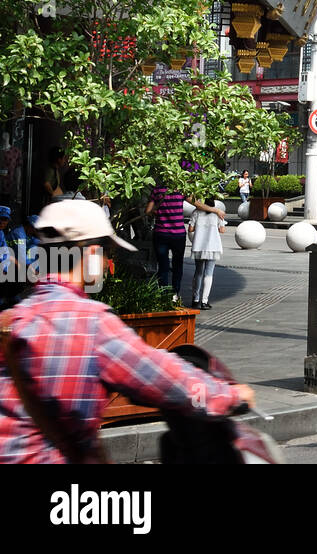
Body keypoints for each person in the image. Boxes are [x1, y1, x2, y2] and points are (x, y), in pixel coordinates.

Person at [0, 200, 255, 463]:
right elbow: (164, 377)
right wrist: (228, 395)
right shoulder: (91, 324)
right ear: (91, 254)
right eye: (107, 252)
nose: (109, 261)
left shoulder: (13, 317)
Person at [146, 185, 225, 303]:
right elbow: (197, 204)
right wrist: (216, 210)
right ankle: (175, 294)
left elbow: (148, 211)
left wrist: (159, 213)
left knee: (163, 266)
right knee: (177, 265)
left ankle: (163, 294)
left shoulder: (157, 189)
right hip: (178, 234)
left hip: (161, 233)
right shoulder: (180, 188)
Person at [188, 204, 226, 310]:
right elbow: (222, 230)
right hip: (213, 246)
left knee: (198, 272)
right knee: (209, 274)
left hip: (199, 245)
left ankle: (195, 300)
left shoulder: (196, 212)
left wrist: (200, 227)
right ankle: (204, 301)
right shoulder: (217, 213)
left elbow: (191, 229)